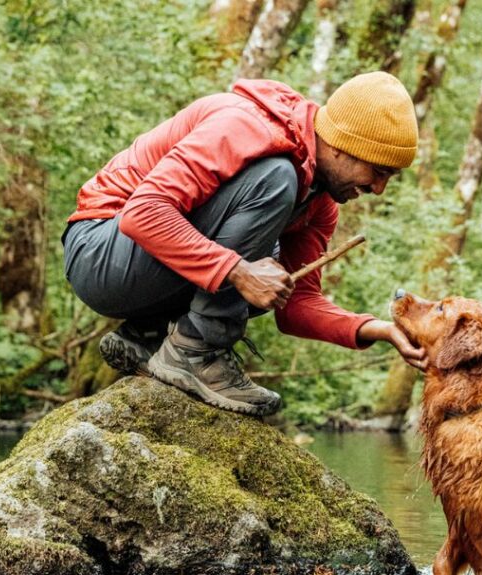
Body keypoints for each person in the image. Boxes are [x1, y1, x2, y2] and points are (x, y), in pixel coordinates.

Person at [63, 71, 426, 417]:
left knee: (276, 270)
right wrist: (238, 271)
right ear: (342, 145)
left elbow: (297, 302)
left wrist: (381, 330)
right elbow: (142, 214)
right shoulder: (249, 129)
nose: (378, 189)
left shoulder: (320, 201)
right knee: (274, 186)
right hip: (99, 251)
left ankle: (149, 336)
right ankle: (194, 350)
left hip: (140, 270)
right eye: (378, 172)